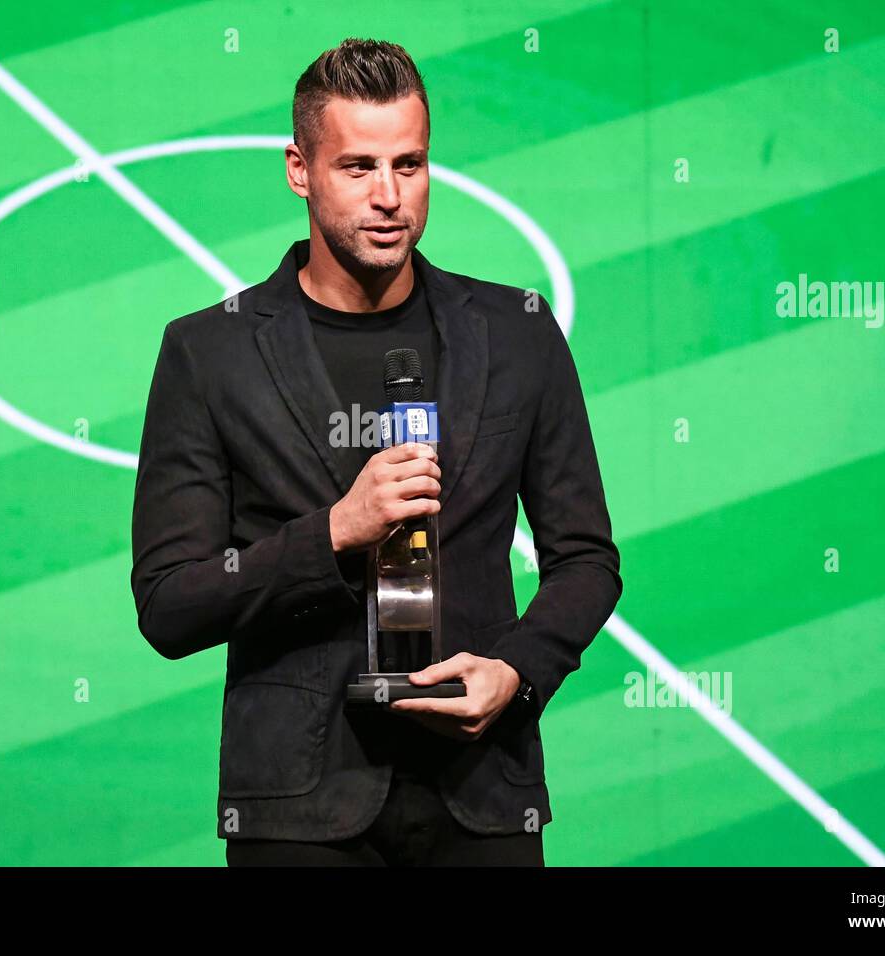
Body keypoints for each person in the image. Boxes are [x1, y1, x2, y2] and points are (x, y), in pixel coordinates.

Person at [130, 38, 622, 866]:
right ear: (300, 170)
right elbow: (171, 605)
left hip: (484, 798)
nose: (390, 196)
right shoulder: (207, 355)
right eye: (358, 167)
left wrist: (517, 672)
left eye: (411, 164)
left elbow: (586, 560)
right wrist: (334, 533)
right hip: (297, 812)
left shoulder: (519, 334)